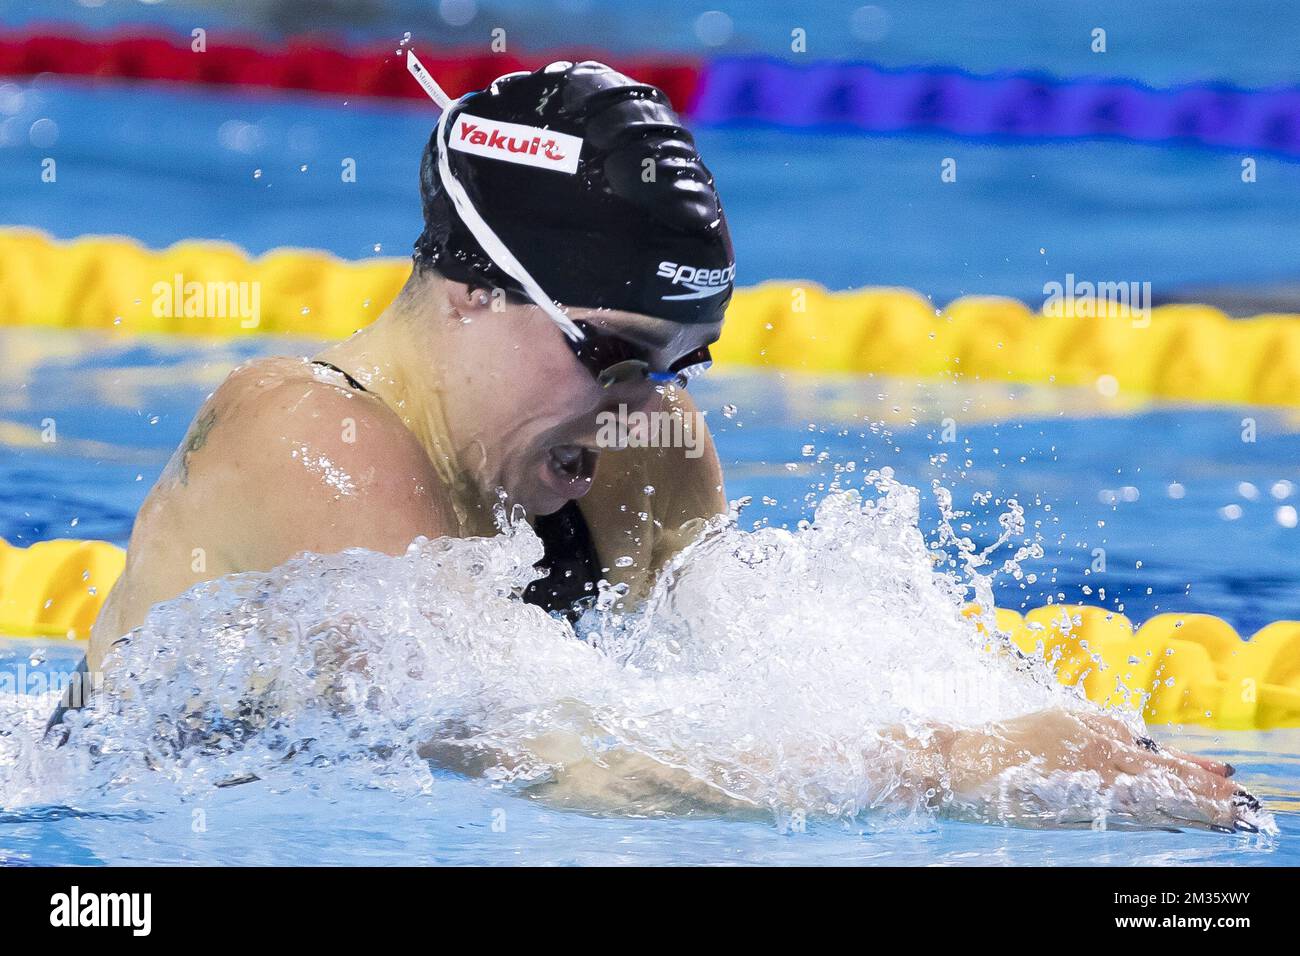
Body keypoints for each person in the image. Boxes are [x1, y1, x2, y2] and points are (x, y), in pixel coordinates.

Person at [62, 61, 1257, 830]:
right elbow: (556, 755)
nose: (645, 401)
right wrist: (960, 763)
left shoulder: (642, 437)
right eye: (613, 350)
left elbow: (737, 696)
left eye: (683, 364)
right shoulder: (305, 435)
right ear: (476, 288)